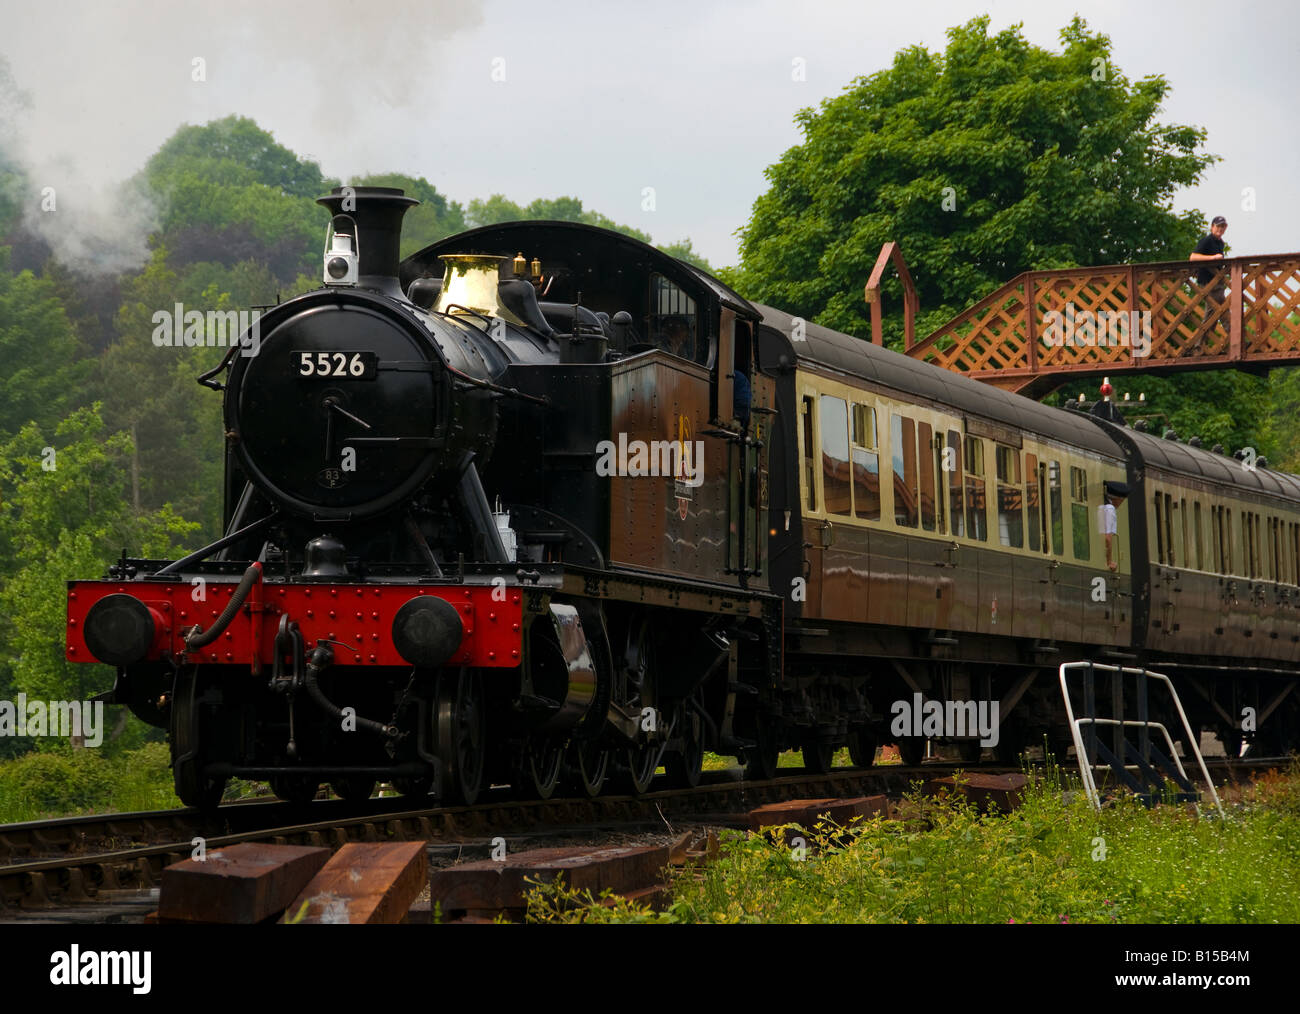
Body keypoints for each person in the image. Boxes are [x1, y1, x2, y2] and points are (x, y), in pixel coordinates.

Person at [1188, 216, 1228, 349]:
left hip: (1217, 282)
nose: (1220, 229)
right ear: (1212, 227)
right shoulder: (1207, 240)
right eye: (1218, 226)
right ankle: (1200, 345)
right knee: (1215, 313)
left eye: (1222, 227)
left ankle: (1202, 344)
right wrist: (1212, 258)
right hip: (1208, 282)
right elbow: (1193, 257)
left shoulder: (1220, 243)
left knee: (1221, 312)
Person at [1098, 480, 1129, 572]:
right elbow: (1107, 537)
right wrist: (1109, 562)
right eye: (1122, 500)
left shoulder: (1101, 507)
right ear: (1118, 499)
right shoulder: (1109, 509)